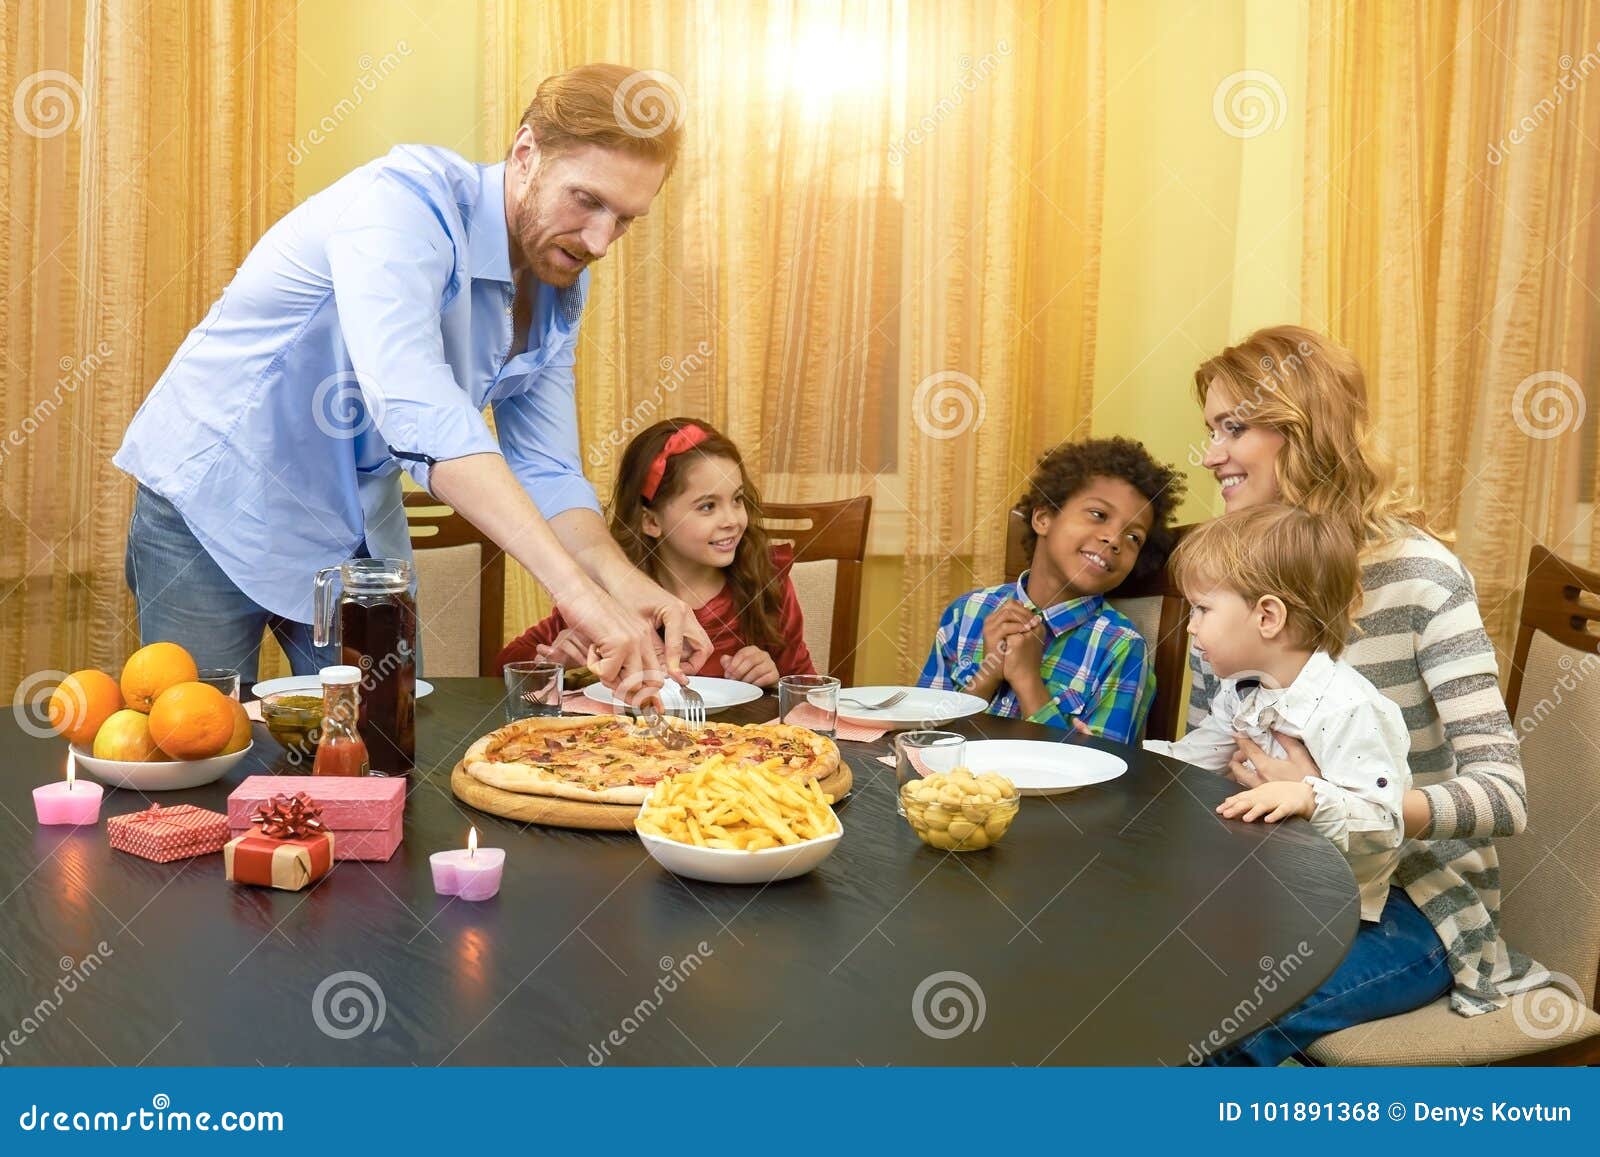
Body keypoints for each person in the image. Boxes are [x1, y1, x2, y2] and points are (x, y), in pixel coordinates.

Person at [115, 63, 711, 688]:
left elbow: (548, 470)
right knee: (205, 740)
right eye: (587, 200)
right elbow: (419, 410)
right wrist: (577, 596)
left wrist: (627, 585)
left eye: (624, 219)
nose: (599, 241)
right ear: (527, 153)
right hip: (216, 497)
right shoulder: (401, 204)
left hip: (355, 525)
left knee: (384, 746)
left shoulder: (559, 277)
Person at [1191, 324, 1542, 1026]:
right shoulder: (1230, 581)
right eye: (1209, 430)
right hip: (1272, 882)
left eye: (1234, 427)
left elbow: (1504, 798)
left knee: (1213, 1019)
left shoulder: (1419, 577)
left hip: (1412, 902)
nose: (1211, 455)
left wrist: (1325, 796)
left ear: (1305, 430)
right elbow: (1214, 754)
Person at [1143, 506, 1425, 1065]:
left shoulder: (1350, 708)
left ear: (1267, 616)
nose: (1191, 626)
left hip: (1344, 918)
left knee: (1222, 1028)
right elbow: (1189, 763)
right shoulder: (1244, 692)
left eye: (1201, 609)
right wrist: (1121, 762)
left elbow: (1384, 819)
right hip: (1266, 902)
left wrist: (1308, 795)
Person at [499, 418, 815, 687]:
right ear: (651, 521)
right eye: (707, 506)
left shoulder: (766, 582)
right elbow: (502, 669)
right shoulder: (607, 591)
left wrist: (773, 680)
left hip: (743, 755)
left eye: (737, 499)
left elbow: (807, 688)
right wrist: (555, 666)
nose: (732, 520)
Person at [917, 437, 1183, 742]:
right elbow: (921, 739)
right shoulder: (965, 613)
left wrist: (1028, 681)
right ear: (1044, 518)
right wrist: (987, 675)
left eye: (1134, 537)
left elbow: (1104, 777)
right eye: (1098, 514)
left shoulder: (1123, 649)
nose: (1114, 539)